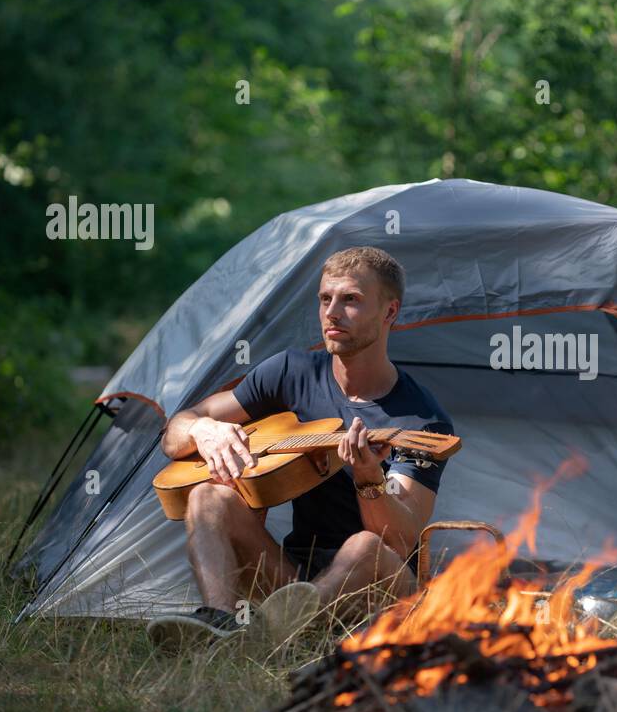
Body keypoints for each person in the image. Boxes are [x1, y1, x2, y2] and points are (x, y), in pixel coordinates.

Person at [146, 246, 454, 651]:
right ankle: (221, 625)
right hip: (292, 582)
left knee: (364, 546)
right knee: (208, 496)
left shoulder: (419, 420)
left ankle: (271, 637)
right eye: (325, 299)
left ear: (390, 312)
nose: (332, 312)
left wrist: (368, 479)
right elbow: (174, 432)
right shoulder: (290, 373)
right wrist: (205, 430)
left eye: (351, 300)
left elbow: (398, 542)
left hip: (381, 590)